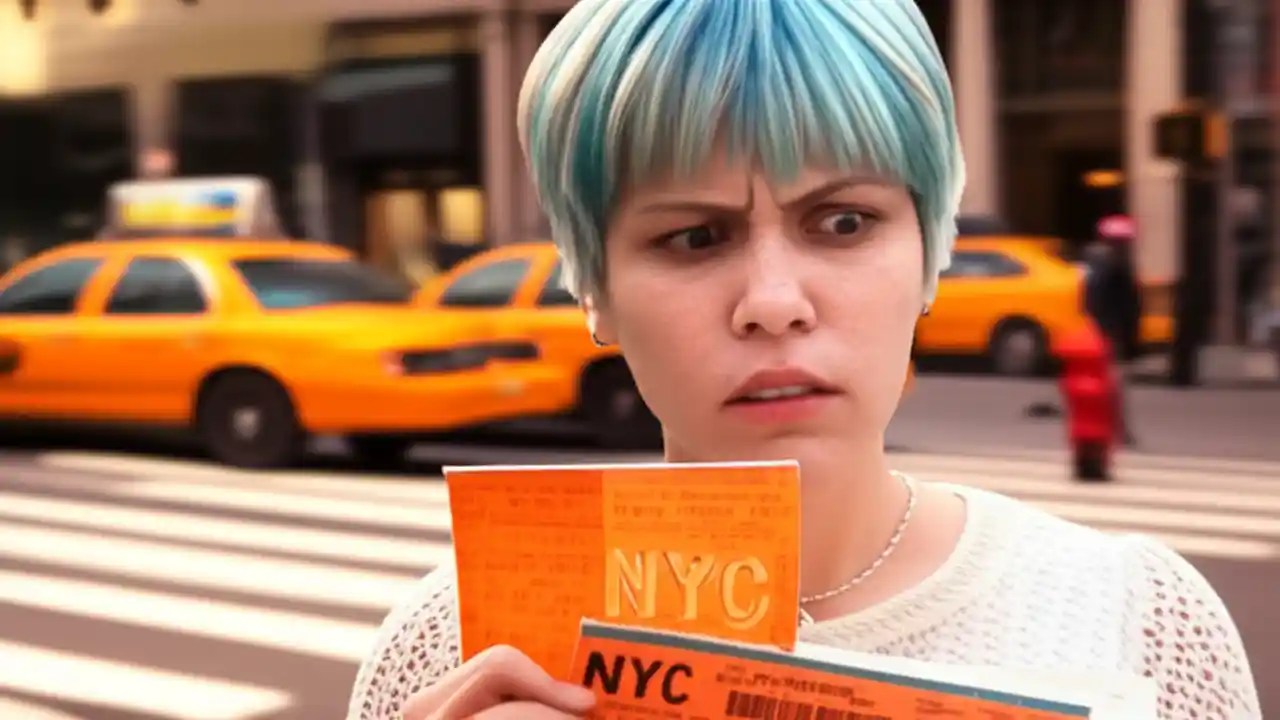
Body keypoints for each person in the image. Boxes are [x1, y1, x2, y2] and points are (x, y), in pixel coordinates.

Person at [347, 2, 1260, 718]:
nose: (775, 301)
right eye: (695, 236)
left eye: (844, 222)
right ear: (596, 290)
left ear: (929, 254)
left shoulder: (1139, 619)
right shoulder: (452, 647)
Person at [1083, 214, 1142, 446]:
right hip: (1112, 335)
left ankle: (1114, 428)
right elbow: (1106, 303)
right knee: (1113, 385)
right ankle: (1115, 429)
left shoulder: (1102, 266)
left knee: (1111, 385)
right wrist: (1111, 331)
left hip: (1111, 333)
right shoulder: (1112, 268)